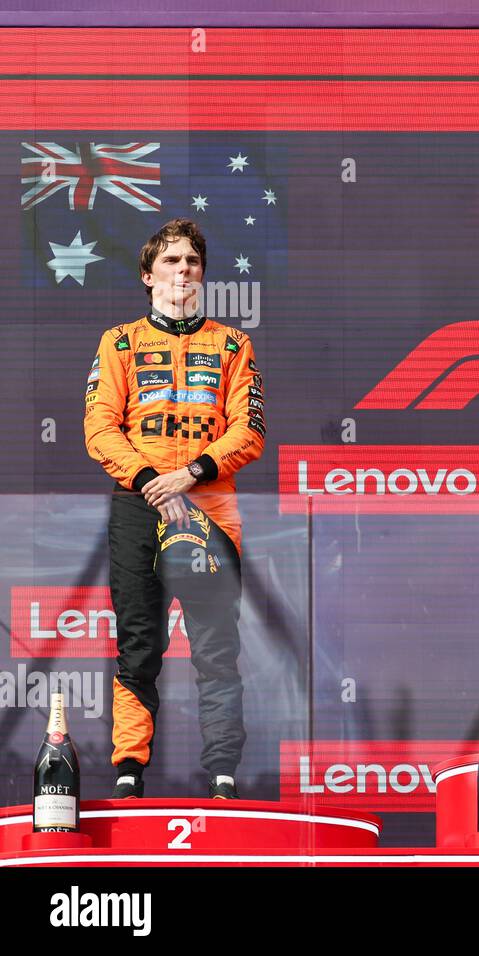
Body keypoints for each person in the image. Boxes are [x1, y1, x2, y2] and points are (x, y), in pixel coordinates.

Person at [84, 218, 266, 799]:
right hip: (139, 505)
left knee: (216, 647)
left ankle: (222, 775)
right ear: (147, 274)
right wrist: (149, 480)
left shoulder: (232, 344)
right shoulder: (119, 342)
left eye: (191, 261)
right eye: (170, 261)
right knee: (139, 642)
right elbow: (99, 428)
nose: (183, 270)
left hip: (210, 502)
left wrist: (188, 475)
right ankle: (129, 772)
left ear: (202, 273)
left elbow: (250, 430)